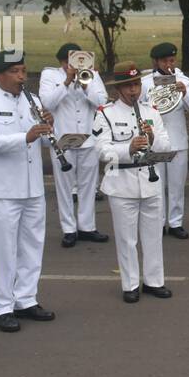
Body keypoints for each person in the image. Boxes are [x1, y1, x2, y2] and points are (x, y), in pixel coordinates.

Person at [0, 49, 56, 332]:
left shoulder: (32, 99)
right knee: (4, 250)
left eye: (24, 71)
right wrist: (26, 136)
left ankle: (27, 299)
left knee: (33, 245)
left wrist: (48, 128)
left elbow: (43, 142)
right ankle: (3, 306)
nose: (22, 77)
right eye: (15, 72)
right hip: (4, 189)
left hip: (32, 185)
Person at [92, 61, 173, 303]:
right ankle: (130, 284)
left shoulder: (152, 111)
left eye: (136, 84)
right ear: (118, 88)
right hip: (121, 182)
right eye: (128, 86)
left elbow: (166, 146)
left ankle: (154, 281)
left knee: (153, 235)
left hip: (150, 180)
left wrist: (152, 137)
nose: (133, 90)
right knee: (127, 239)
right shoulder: (105, 113)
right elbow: (102, 151)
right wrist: (127, 147)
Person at [40, 42, 109, 248]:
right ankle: (69, 229)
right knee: (64, 187)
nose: (77, 65)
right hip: (63, 139)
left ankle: (87, 227)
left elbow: (101, 101)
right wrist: (68, 81)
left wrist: (86, 84)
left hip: (88, 138)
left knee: (89, 186)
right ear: (63, 62)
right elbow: (47, 103)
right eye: (71, 62)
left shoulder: (92, 75)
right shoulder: (50, 76)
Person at [140, 42, 189, 240]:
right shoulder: (146, 82)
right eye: (165, 61)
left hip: (177, 139)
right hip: (155, 140)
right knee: (157, 185)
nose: (169, 64)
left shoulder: (183, 80)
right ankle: (158, 222)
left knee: (176, 185)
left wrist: (183, 92)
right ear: (156, 61)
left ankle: (175, 222)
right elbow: (140, 107)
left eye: (172, 60)